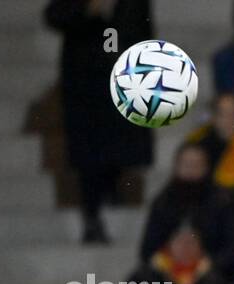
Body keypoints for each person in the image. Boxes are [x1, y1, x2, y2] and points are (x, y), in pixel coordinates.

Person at [44, 0, 153, 244]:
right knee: (88, 152)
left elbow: (142, 28)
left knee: (120, 141)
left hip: (123, 75)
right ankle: (91, 214)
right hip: (84, 79)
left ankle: (113, 189)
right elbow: (54, 15)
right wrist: (88, 10)